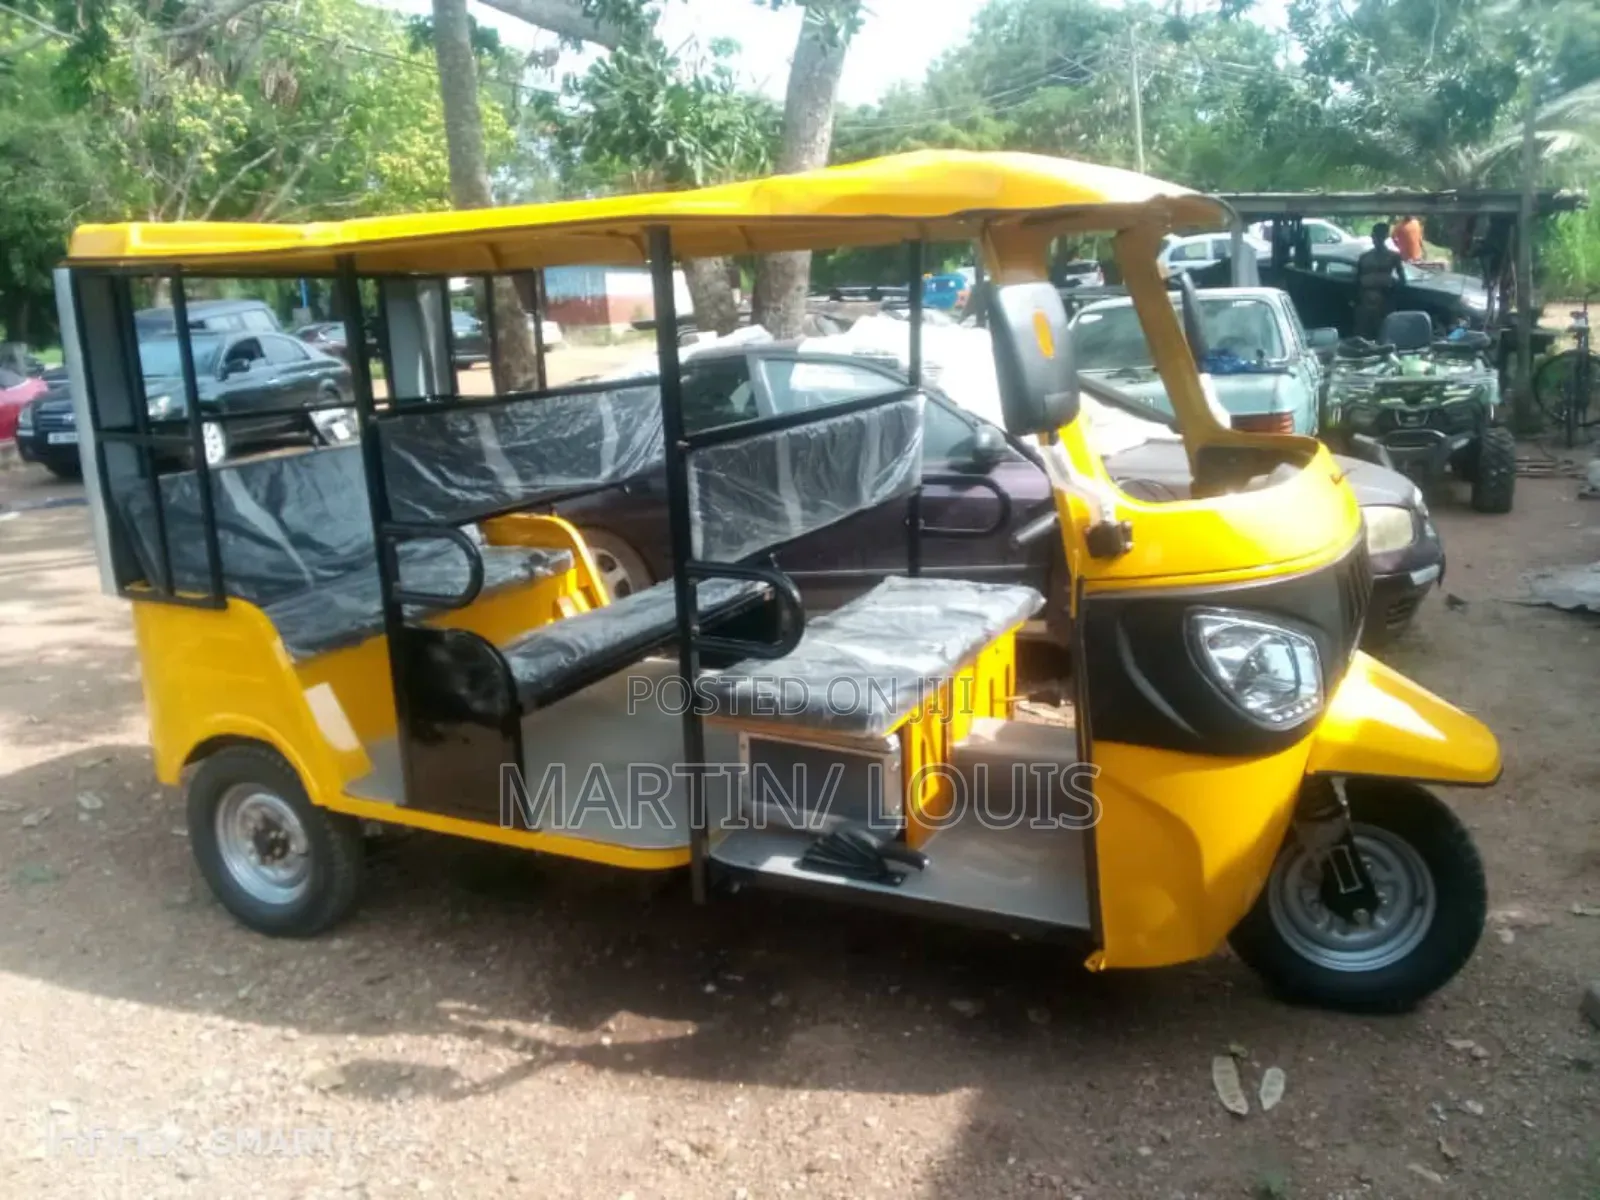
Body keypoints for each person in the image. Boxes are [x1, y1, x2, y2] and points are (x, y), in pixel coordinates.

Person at [1355, 222, 1406, 340]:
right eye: (1374, 235)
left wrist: (1391, 286)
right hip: (1366, 301)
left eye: (1378, 235)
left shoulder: (1393, 257)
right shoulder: (1364, 257)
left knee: (1384, 332)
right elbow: (1356, 281)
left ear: (1384, 236)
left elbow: (1402, 280)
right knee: (1364, 335)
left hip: (1384, 301)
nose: (1375, 238)